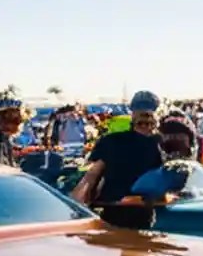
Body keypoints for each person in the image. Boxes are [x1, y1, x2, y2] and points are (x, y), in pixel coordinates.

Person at [70, 91, 165, 229]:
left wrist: (75, 207)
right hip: (139, 212)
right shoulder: (161, 143)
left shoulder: (111, 140)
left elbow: (91, 177)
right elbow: (91, 177)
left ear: (132, 113)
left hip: (115, 211)